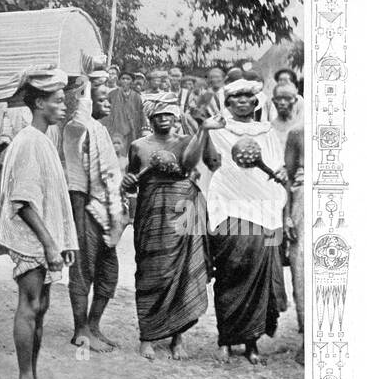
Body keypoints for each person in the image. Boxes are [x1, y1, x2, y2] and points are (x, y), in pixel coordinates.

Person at [0, 69, 77, 379]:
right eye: (58, 101)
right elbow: (24, 202)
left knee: (40, 306)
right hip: (30, 238)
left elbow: (51, 198)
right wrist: (48, 243)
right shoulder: (29, 141)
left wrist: (63, 242)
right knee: (29, 306)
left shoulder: (43, 140)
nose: (64, 106)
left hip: (43, 238)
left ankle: (34, 376)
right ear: (40, 102)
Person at [204, 77, 288, 363]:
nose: (242, 101)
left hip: (261, 207)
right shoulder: (217, 129)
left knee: (258, 275)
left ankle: (251, 343)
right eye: (235, 97)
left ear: (255, 102)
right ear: (228, 103)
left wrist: (282, 173)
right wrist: (205, 132)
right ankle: (225, 340)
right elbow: (208, 163)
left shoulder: (266, 131)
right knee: (229, 272)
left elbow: (276, 165)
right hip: (228, 207)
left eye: (247, 97)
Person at [122, 95, 212, 360]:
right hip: (152, 210)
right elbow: (132, 181)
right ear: (150, 119)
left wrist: (203, 129)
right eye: (158, 115)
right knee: (151, 270)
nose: (163, 119)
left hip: (183, 208)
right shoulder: (138, 146)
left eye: (168, 114)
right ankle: (147, 335)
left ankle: (177, 338)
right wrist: (127, 183)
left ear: (176, 117)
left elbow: (192, 164)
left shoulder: (186, 142)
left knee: (182, 272)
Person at [60, 78, 124, 353]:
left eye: (108, 98)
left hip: (105, 208)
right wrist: (85, 91)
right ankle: (80, 331)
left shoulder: (100, 130)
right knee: (83, 269)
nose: (107, 102)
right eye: (101, 98)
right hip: (85, 204)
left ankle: (94, 324)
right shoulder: (77, 129)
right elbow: (77, 124)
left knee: (109, 273)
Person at [284, 123, 305, 362]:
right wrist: (287, 215)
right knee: (301, 267)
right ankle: (307, 337)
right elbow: (288, 178)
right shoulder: (298, 133)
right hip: (303, 200)